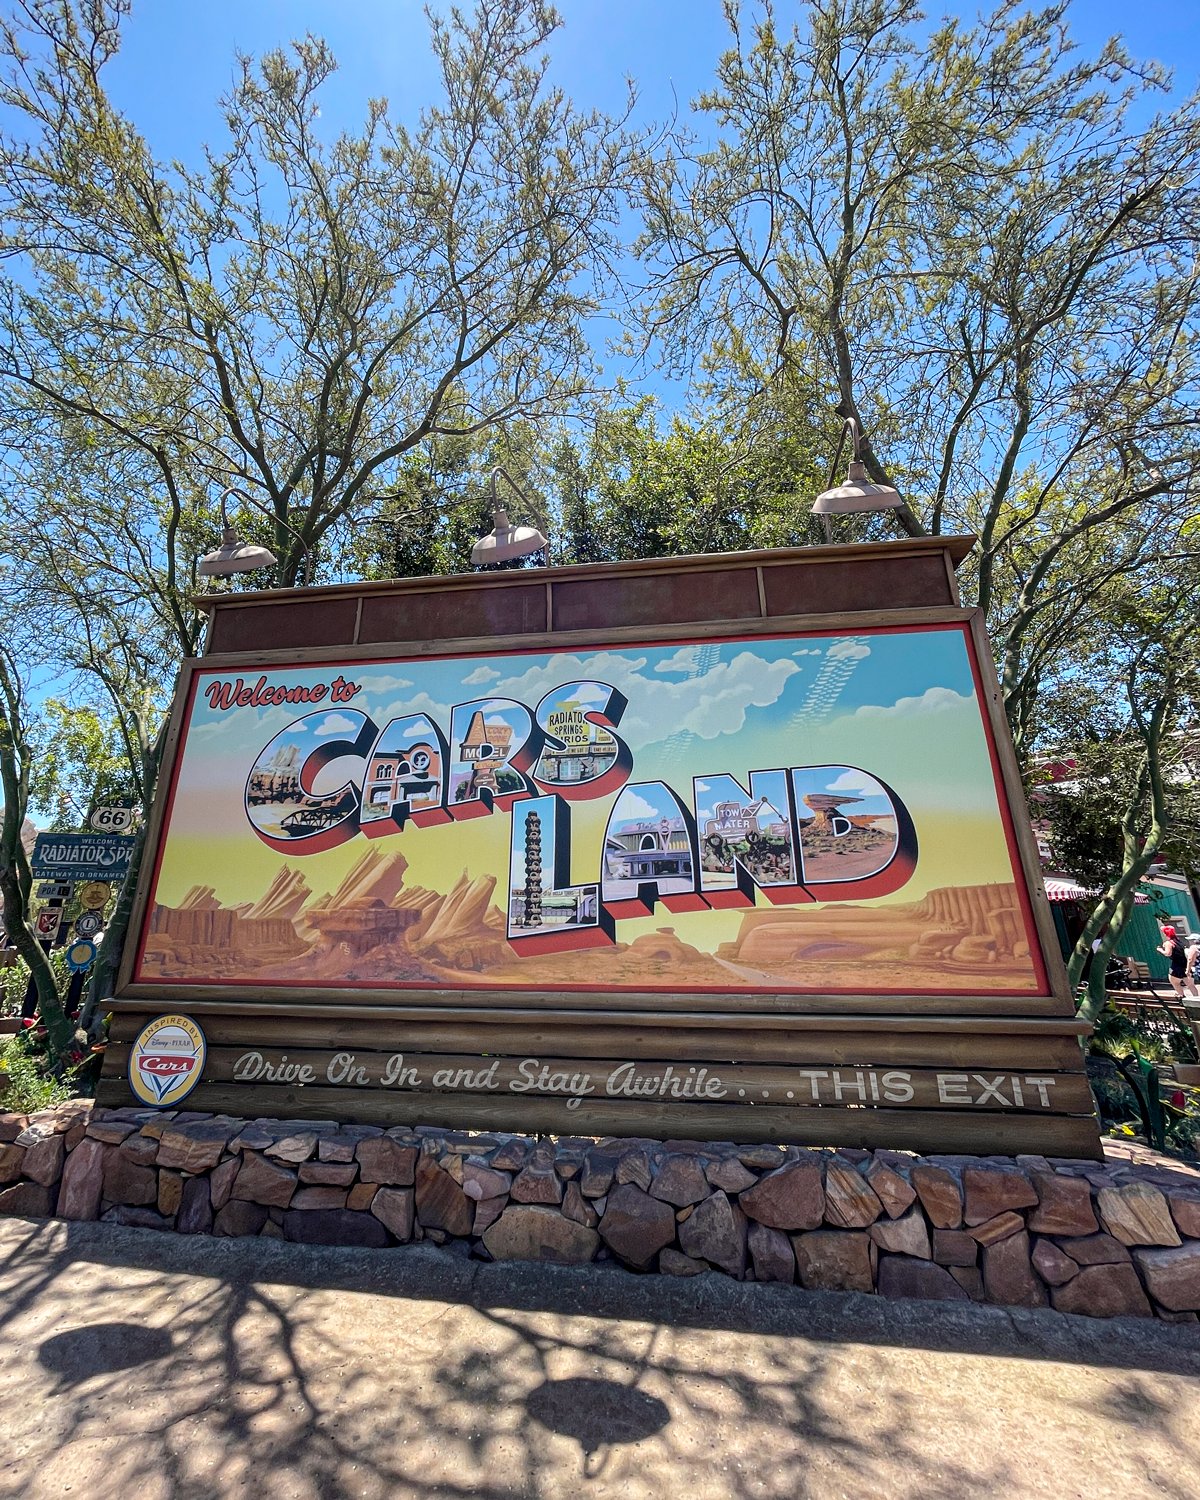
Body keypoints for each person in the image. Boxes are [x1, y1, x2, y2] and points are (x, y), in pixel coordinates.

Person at [1157, 924, 1199, 1002]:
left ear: (1165, 934)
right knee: (1191, 985)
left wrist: (1160, 950)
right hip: (1185, 964)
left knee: (1174, 981)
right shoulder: (1179, 941)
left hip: (1176, 966)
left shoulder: (1168, 943)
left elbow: (1168, 953)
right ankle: (1197, 999)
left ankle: (1181, 997)